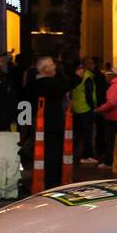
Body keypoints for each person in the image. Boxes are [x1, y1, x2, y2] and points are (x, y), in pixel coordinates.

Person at [31, 57, 78, 189]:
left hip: (50, 125)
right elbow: (62, 88)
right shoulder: (45, 84)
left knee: (54, 156)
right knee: (52, 157)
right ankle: (52, 184)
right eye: (52, 65)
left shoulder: (44, 83)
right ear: (45, 69)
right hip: (50, 126)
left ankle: (53, 181)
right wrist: (76, 78)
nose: (55, 68)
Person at [95, 59, 117, 171]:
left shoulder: (114, 86)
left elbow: (112, 103)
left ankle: (108, 162)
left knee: (110, 141)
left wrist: (100, 109)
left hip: (112, 116)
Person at [69, 57, 97, 164]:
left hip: (76, 108)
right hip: (86, 109)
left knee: (76, 134)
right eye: (92, 63)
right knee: (87, 135)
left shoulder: (77, 75)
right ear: (88, 65)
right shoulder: (88, 77)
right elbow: (89, 94)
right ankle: (86, 156)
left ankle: (72, 155)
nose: (94, 65)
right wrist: (92, 107)